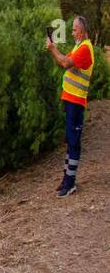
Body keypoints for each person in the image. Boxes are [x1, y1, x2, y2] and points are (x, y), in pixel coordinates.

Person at [45, 16, 95, 197]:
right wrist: (55, 52)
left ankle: (70, 184)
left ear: (81, 30)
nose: (72, 32)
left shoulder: (85, 49)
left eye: (74, 29)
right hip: (70, 100)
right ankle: (66, 178)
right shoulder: (78, 47)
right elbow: (65, 61)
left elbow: (65, 63)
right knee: (70, 140)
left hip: (76, 101)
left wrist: (53, 49)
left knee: (73, 142)